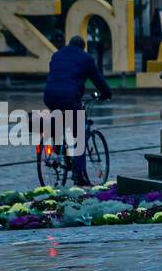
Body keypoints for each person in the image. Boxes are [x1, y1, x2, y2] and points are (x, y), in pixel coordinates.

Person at [43, 34, 113, 185]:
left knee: (60, 120)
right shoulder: (85, 58)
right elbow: (97, 79)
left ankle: (57, 149)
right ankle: (79, 175)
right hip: (69, 98)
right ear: (83, 47)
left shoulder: (57, 55)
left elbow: (58, 76)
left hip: (49, 96)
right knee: (80, 134)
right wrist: (106, 93)